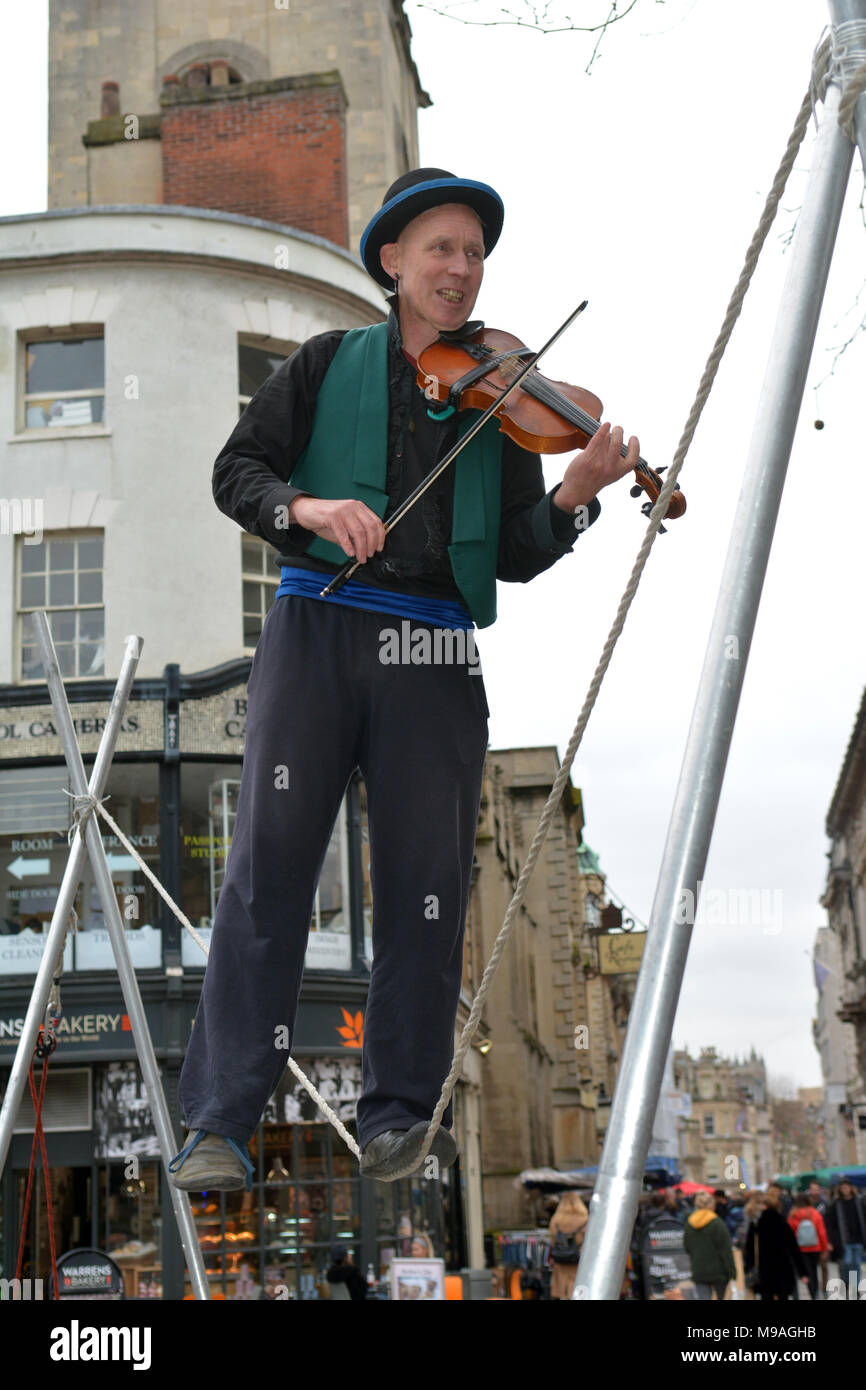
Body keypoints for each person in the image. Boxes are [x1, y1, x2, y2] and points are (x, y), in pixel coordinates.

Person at [167, 166, 639, 1194]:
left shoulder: (503, 391)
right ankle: (217, 1121)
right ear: (391, 260)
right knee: (267, 867)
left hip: (432, 649)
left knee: (427, 890)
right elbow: (234, 472)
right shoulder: (327, 361)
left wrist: (574, 493)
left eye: (473, 252)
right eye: (441, 248)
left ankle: (394, 1117)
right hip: (318, 625)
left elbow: (514, 549)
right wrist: (308, 509)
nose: (461, 268)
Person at [744, 1187, 809, 1301]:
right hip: (783, 1268)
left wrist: (748, 1267)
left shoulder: (756, 1225)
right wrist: (802, 1272)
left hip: (764, 1270)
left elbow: (749, 1249)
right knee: (783, 1295)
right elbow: (794, 1249)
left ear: (764, 1207)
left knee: (766, 1295)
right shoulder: (783, 1223)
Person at [682, 1190, 736, 1300]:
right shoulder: (717, 1223)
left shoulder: (689, 1223)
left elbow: (687, 1247)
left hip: (699, 1270)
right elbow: (725, 1250)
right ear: (711, 1205)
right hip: (719, 1272)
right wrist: (732, 1272)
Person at [825, 1178, 866, 1295]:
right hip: (843, 1240)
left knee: (856, 1265)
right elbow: (830, 1224)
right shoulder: (835, 1204)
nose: (845, 1189)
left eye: (847, 1187)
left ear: (851, 1188)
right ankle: (847, 1284)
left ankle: (854, 1288)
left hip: (858, 1238)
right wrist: (831, 1241)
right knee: (846, 1264)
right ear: (840, 1189)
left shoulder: (859, 1202)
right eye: (843, 1187)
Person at [787, 1191, 829, 1300]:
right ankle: (814, 1293)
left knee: (806, 1271)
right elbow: (822, 1232)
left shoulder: (793, 1215)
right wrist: (824, 1248)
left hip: (800, 1248)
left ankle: (809, 1289)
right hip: (815, 1247)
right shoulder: (815, 1213)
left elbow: (789, 1234)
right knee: (814, 1270)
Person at [548, 1191, 589, 1299]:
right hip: (578, 1259)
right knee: (577, 1285)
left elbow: (552, 1239)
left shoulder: (555, 1220)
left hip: (561, 1258)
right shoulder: (585, 1219)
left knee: (562, 1286)